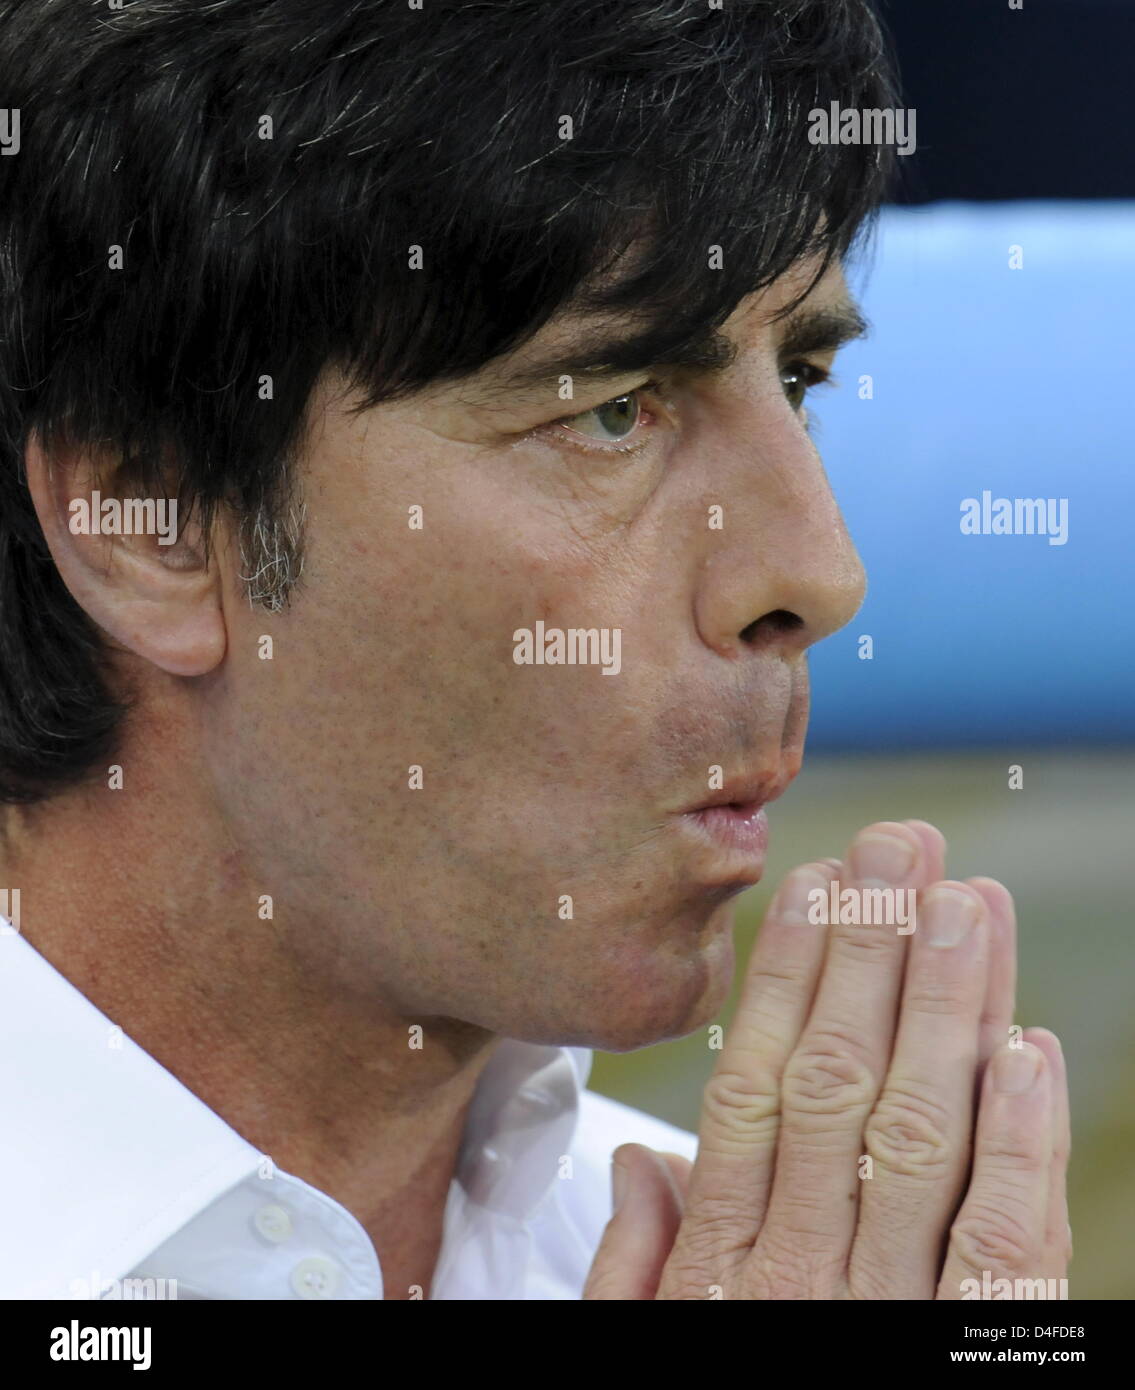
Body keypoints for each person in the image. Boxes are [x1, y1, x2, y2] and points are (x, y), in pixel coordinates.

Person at [0, 0, 1068, 1300]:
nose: (820, 571)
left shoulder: (761, 1259)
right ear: (149, 524)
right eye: (616, 410)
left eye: (798, 380)